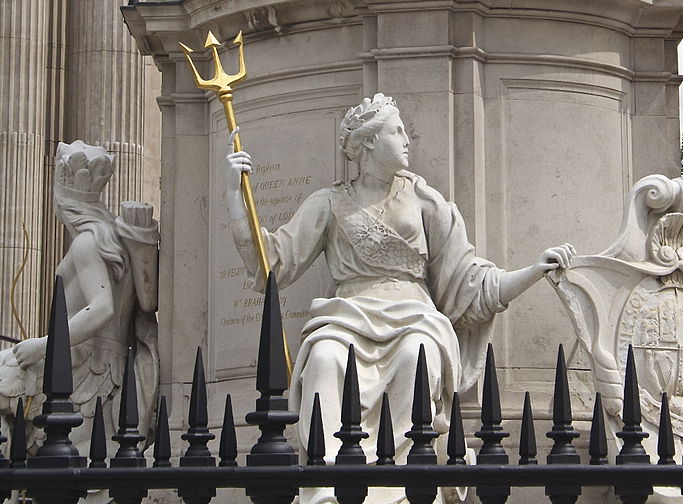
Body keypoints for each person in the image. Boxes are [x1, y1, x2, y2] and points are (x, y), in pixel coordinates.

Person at [226, 94, 573, 493]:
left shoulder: (423, 199)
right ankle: (327, 486)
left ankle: (403, 488)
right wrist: (236, 199)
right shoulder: (329, 203)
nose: (408, 139)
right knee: (322, 357)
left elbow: (470, 281)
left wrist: (533, 270)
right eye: (397, 130)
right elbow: (273, 262)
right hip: (347, 316)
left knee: (417, 354)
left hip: (413, 316)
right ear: (369, 142)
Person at [0, 141, 159, 455]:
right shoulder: (113, 237)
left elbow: (102, 310)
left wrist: (40, 346)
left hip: (85, 367)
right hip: (104, 369)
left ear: (63, 202)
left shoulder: (87, 243)